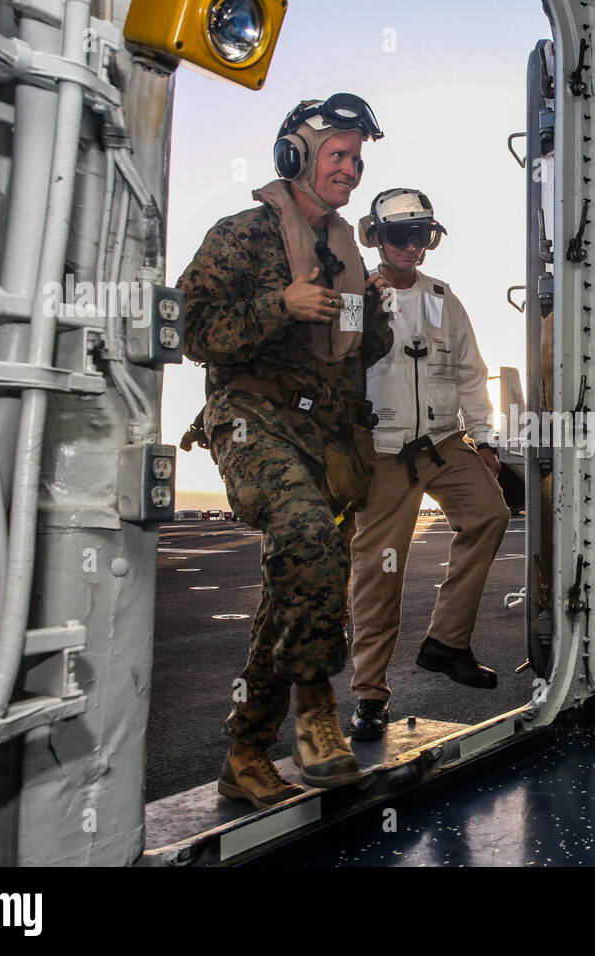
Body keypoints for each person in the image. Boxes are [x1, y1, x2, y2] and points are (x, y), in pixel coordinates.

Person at [179, 94, 393, 808]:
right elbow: (192, 329)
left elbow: (364, 348)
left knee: (297, 585)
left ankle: (244, 752)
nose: (352, 169)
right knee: (306, 537)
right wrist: (281, 305)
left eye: (359, 159)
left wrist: (377, 308)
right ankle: (317, 711)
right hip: (249, 416)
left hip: (324, 436)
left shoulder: (346, 254)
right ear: (295, 156)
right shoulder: (240, 236)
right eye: (339, 154)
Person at [347, 188, 510, 740]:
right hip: (384, 451)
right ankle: (370, 694)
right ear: (377, 237)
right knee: (381, 568)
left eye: (421, 236)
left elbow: (470, 370)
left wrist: (484, 439)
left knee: (489, 514)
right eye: (399, 236)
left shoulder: (442, 297)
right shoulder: (356, 294)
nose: (412, 247)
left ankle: (447, 643)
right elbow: (335, 362)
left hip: (443, 443)